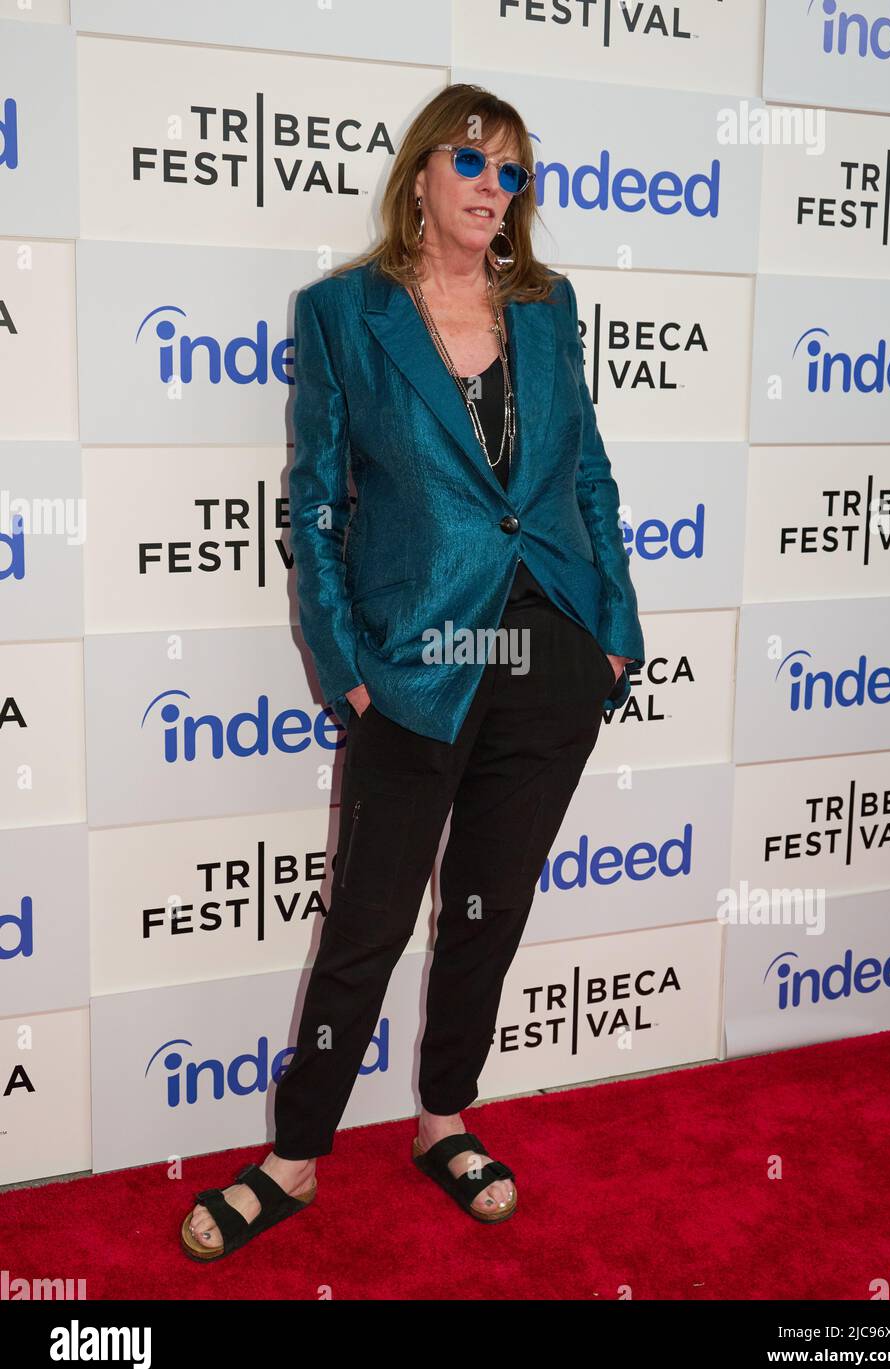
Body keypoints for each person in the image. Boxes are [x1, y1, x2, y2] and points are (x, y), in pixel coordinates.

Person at [181, 83, 644, 1261]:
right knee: (370, 918)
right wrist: (342, 659)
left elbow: (586, 474)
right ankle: (294, 1157)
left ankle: (444, 1120)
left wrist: (616, 627)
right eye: (474, 164)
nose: (495, 190)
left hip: (547, 647)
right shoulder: (345, 314)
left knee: (488, 906)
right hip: (422, 652)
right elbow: (317, 499)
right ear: (422, 177)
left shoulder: (548, 309)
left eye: (513, 174)